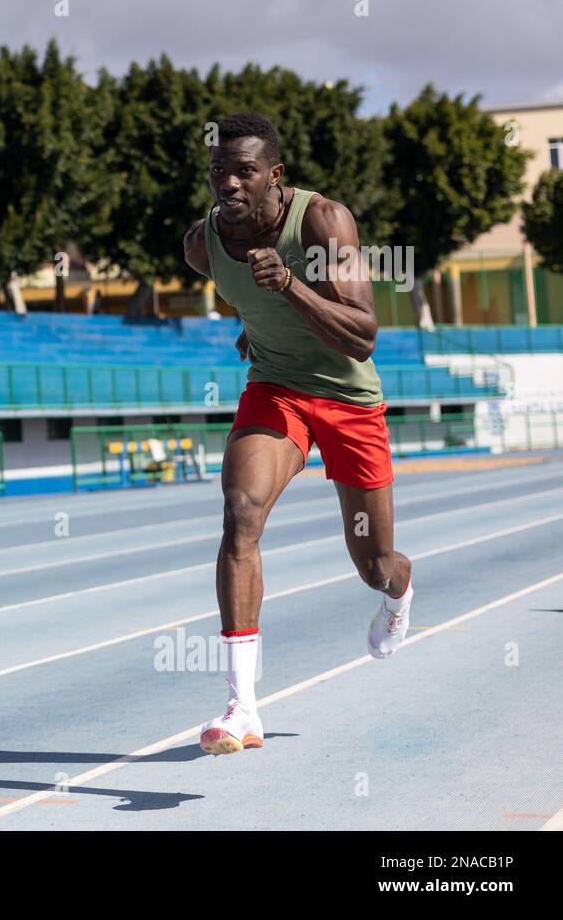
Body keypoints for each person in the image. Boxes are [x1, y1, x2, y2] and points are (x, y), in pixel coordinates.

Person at [181, 112, 414, 755]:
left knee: (373, 564)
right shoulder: (201, 245)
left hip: (348, 400)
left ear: (273, 176)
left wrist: (288, 288)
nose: (228, 183)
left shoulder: (320, 223)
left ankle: (399, 593)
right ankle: (242, 708)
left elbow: (364, 334)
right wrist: (254, 327)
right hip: (276, 389)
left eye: (244, 171)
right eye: (218, 170)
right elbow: (247, 301)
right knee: (240, 513)